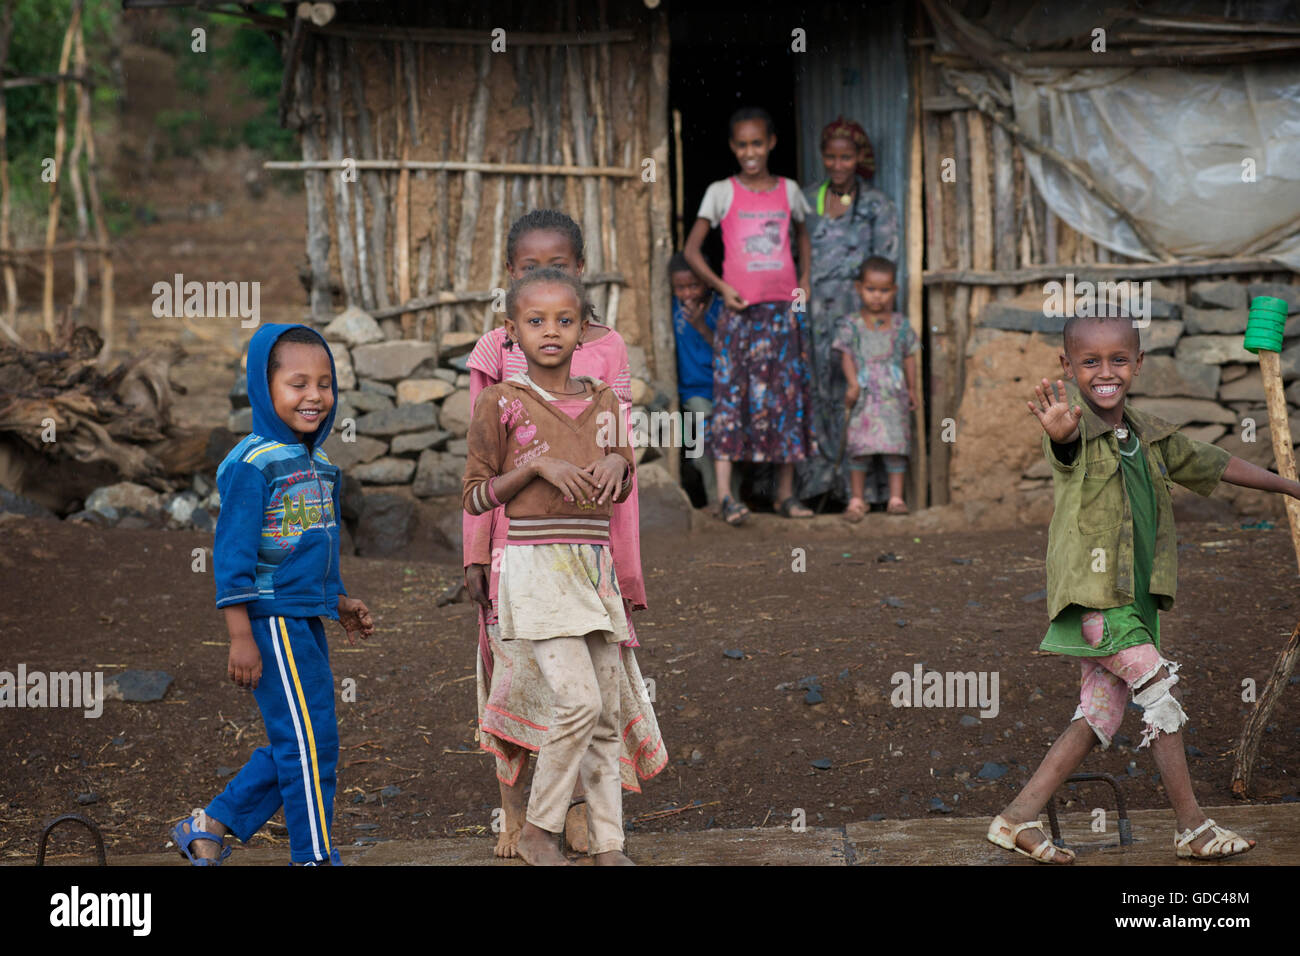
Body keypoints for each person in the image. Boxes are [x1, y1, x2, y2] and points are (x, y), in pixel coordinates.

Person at [989, 313, 1300, 863]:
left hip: (1134, 603)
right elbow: (1064, 449)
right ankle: (1193, 828)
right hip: (1096, 599)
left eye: (1117, 359)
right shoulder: (1074, 430)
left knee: (1098, 716)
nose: (1104, 372)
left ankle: (1015, 819)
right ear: (1068, 367)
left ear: (1138, 363)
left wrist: (1293, 488)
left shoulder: (1149, 434)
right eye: (1089, 362)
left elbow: (1217, 463)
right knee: (1157, 690)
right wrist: (1060, 433)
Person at [462, 210, 664, 859]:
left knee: (604, 713)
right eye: (535, 320)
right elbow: (473, 491)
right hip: (532, 568)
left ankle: (608, 845)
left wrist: (617, 463)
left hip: (594, 569)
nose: (551, 330)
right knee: (570, 700)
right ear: (512, 330)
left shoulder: (604, 397)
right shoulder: (503, 401)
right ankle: (537, 827)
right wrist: (532, 470)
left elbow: (625, 470)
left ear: (584, 326)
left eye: (564, 319)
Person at [172, 324, 374, 866]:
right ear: (265, 389)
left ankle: (211, 823)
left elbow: (317, 549)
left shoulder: (323, 465)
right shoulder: (251, 464)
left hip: (305, 619)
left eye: (325, 384)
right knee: (306, 743)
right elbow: (233, 557)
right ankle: (312, 857)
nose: (315, 396)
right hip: (270, 622)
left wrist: (340, 601)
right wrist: (240, 636)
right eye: (298, 383)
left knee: (310, 738)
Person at [683, 105, 815, 525]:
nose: (749, 151)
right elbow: (691, 250)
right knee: (731, 398)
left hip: (781, 313)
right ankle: (725, 496)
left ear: (772, 143)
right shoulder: (721, 192)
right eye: (741, 144)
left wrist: (805, 281)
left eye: (757, 143)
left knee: (785, 398)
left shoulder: (789, 191)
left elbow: (803, 238)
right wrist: (722, 288)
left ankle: (785, 496)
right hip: (739, 314)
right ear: (732, 147)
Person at [797, 116, 900, 508]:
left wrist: (874, 318)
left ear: (858, 157)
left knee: (859, 394)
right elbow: (795, 260)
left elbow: (885, 264)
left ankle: (863, 491)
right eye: (831, 157)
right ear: (823, 158)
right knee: (816, 391)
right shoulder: (806, 202)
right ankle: (821, 486)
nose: (838, 165)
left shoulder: (876, 205)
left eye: (846, 157)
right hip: (814, 319)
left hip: (859, 318)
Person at [834, 257, 919, 520]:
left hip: (893, 395)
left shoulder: (901, 324)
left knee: (896, 446)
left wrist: (912, 388)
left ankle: (895, 499)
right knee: (859, 447)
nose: (877, 297)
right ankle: (857, 499)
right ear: (859, 288)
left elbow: (909, 356)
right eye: (871, 289)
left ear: (894, 290)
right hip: (864, 394)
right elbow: (845, 354)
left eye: (884, 290)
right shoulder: (851, 324)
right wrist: (852, 383)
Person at [670, 251, 723, 506]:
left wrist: (702, 325)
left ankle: (729, 498)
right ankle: (716, 500)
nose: (687, 293)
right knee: (701, 442)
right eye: (680, 287)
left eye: (694, 285)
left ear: (707, 281)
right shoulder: (671, 308)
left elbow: (726, 351)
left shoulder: (720, 308)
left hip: (723, 390)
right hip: (693, 392)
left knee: (728, 445)